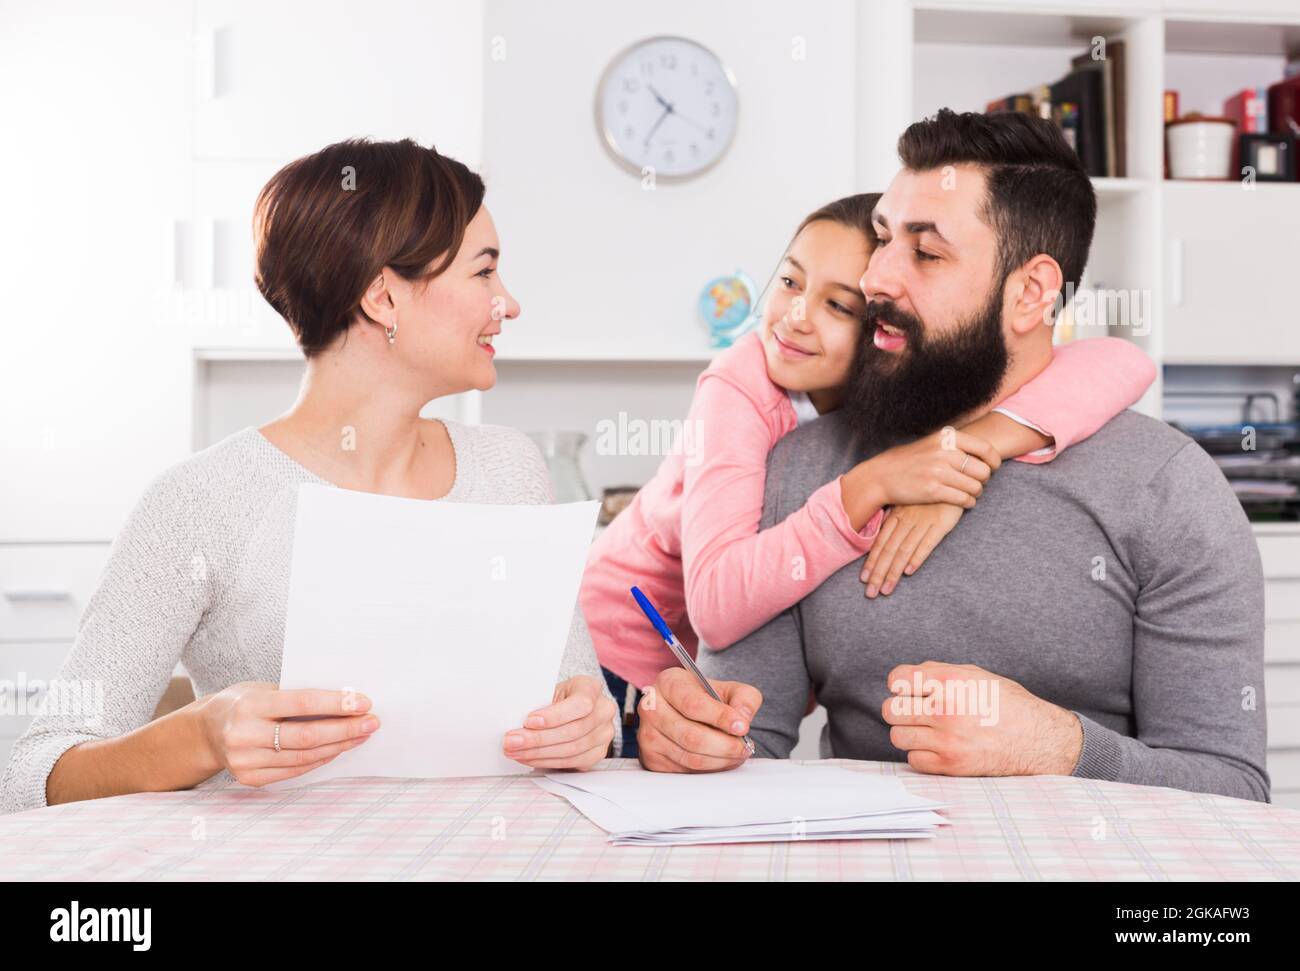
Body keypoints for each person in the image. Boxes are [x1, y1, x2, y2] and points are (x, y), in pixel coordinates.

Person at [637, 109, 1269, 803]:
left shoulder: (1167, 488)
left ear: (1030, 292)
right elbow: (746, 744)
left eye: (926, 253)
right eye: (881, 239)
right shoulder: (799, 467)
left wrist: (1057, 746)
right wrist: (691, 736)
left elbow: (1231, 789)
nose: (876, 278)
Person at [0, 138, 618, 815]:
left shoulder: (511, 470)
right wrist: (202, 735)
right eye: (484, 273)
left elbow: (582, 707)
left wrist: (590, 723)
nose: (509, 303)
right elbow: (32, 776)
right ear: (384, 296)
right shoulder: (201, 503)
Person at [581, 195, 1154, 756]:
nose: (797, 318)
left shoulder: (888, 391)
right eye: (789, 283)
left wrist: (973, 450)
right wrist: (870, 486)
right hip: (619, 666)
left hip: (697, 682)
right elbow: (716, 604)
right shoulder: (740, 385)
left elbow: (1124, 363)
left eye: (839, 307)